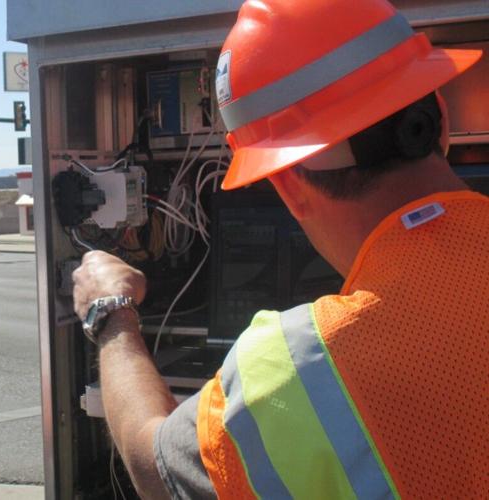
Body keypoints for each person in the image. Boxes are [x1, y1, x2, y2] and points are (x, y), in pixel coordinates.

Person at [72, 0, 487, 498]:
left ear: (288, 185)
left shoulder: (301, 366)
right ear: (440, 117)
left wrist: (110, 311)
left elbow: (153, 464)